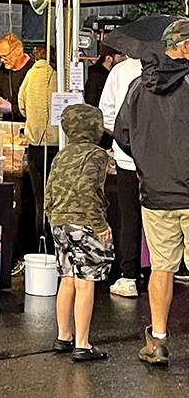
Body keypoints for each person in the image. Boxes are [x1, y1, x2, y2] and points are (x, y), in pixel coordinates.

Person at [115, 18, 189, 367]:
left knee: (161, 268)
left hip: (156, 193)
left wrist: (149, 163)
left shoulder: (137, 86)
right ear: (185, 46)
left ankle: (158, 340)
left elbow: (122, 137)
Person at [45, 104, 113, 361]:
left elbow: (49, 189)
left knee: (67, 279)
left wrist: (52, 217)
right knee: (86, 282)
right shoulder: (96, 154)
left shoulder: (61, 154)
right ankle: (83, 344)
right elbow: (87, 189)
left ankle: (63, 336)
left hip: (59, 222)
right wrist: (100, 225)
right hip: (84, 223)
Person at [99, 55, 143, 298]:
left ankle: (129, 275)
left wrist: (121, 137)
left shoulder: (120, 70)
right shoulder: (174, 70)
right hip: (164, 160)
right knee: (164, 216)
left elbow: (105, 115)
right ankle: (166, 271)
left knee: (129, 217)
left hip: (127, 157)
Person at [18, 46, 59, 245]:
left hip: (35, 145)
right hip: (56, 145)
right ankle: (54, 244)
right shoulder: (59, 78)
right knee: (55, 200)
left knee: (39, 200)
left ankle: (39, 243)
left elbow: (21, 104)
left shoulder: (30, 76)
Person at [0, 34, 34, 121]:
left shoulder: (33, 70)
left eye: (5, 56)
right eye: (0, 56)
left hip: (26, 124)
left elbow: (34, 106)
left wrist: (12, 108)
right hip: (7, 122)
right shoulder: (4, 69)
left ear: (18, 52)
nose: (2, 60)